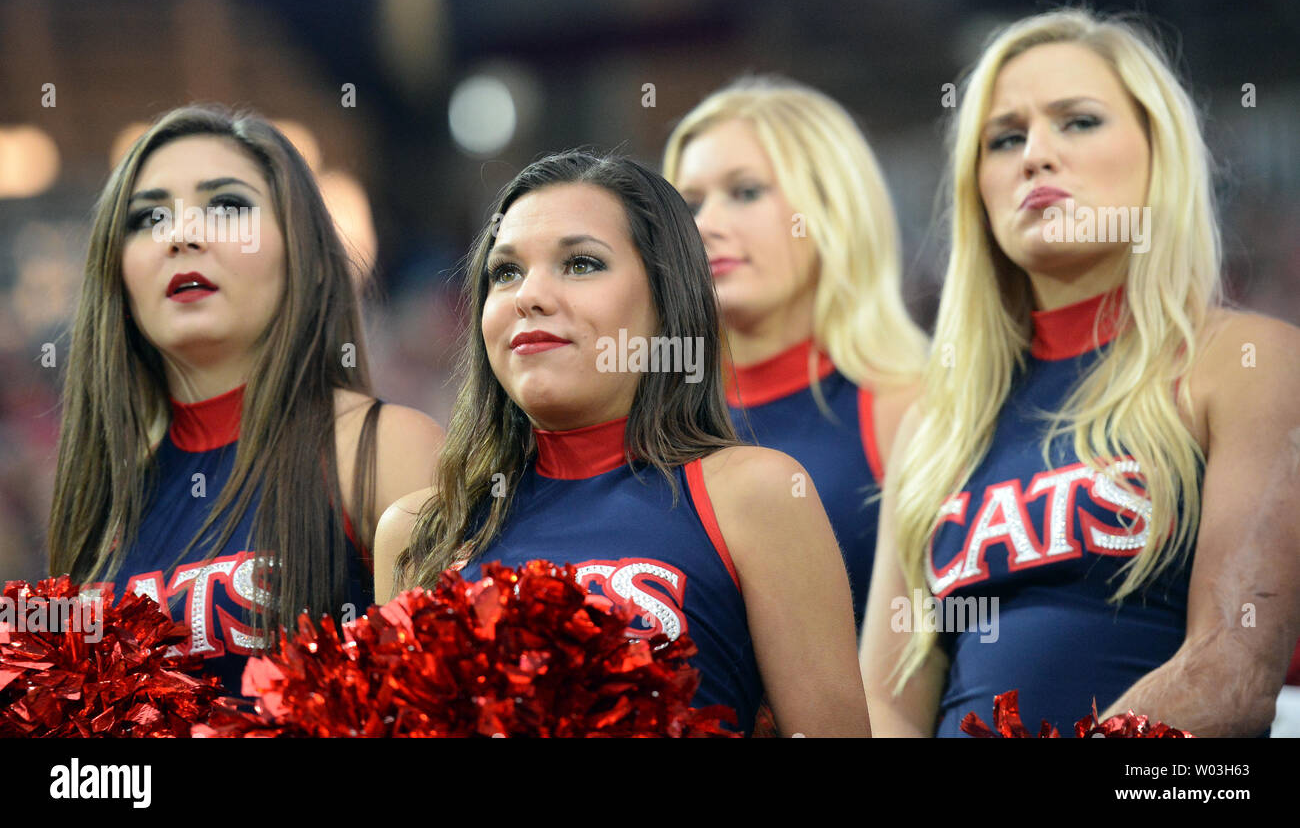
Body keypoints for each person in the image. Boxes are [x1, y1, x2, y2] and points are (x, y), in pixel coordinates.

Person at [860, 9, 1300, 737]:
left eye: (1078, 122)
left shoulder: (1250, 363)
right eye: (1005, 137)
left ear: (1160, 153)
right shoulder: (937, 424)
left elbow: (1233, 669)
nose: (1035, 154)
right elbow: (884, 704)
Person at [374, 151, 870, 737]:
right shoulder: (418, 532)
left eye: (581, 263)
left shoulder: (754, 494)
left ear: (666, 302)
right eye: (504, 272)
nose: (528, 295)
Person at [47, 105, 444, 694]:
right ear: (118, 276)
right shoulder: (103, 499)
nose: (181, 236)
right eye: (148, 217)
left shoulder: (386, 449)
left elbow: (443, 709)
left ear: (306, 260)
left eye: (228, 207)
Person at [664, 76, 927, 632]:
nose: (705, 225)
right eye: (688, 202)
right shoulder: (644, 418)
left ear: (833, 208)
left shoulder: (911, 405)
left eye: (746, 191)